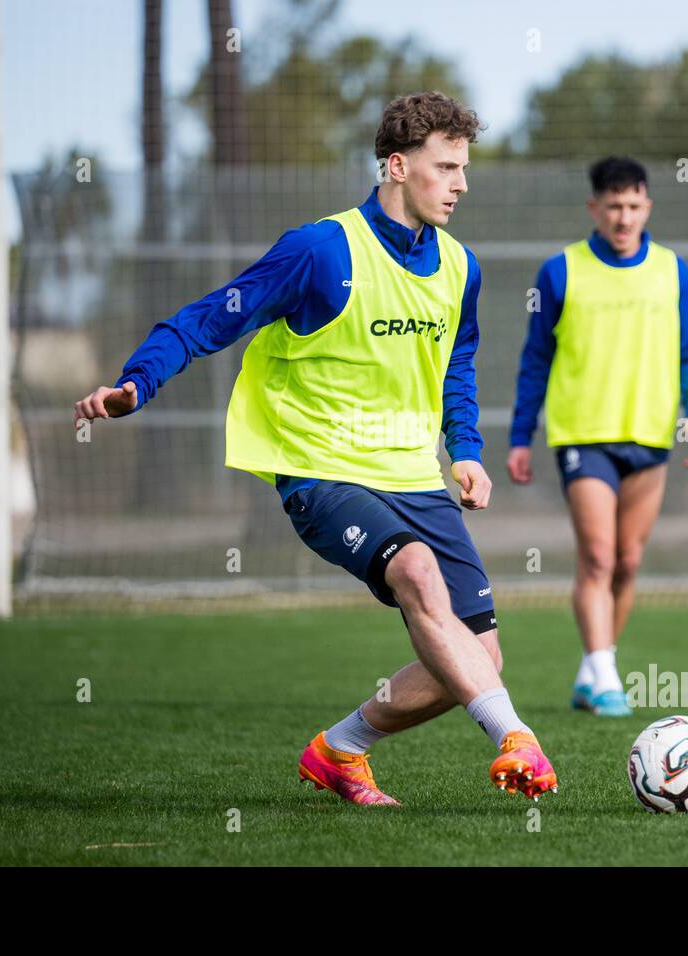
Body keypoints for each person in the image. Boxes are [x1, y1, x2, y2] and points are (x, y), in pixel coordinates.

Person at [74, 91, 557, 805]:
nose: (461, 184)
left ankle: (340, 749)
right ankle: (518, 739)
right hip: (319, 470)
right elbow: (208, 319)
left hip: (411, 476)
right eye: (446, 167)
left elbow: (456, 366)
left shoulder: (460, 267)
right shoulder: (320, 251)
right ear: (396, 165)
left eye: (464, 168)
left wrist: (464, 449)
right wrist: (136, 384)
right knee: (418, 573)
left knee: (479, 658)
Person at [507, 156, 688, 717]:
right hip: (583, 434)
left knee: (628, 561)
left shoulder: (673, 270)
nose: (623, 217)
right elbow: (535, 359)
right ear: (594, 207)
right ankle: (606, 678)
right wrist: (521, 435)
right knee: (596, 557)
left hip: (649, 435)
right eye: (613, 206)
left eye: (633, 205)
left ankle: (593, 667)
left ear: (647, 206)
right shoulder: (560, 271)